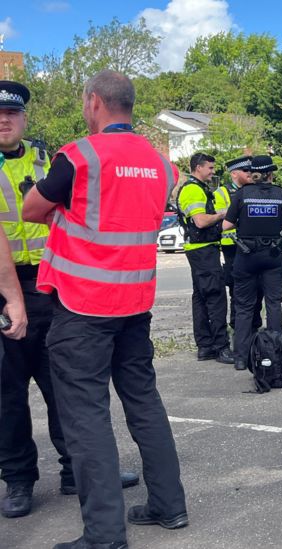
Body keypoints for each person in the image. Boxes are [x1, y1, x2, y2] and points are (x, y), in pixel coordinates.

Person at [23, 69, 188, 549]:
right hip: (135, 303)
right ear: (129, 106)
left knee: (87, 418)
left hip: (83, 307)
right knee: (144, 402)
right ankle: (168, 504)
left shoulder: (80, 156)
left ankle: (103, 535)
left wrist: (63, 208)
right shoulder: (163, 165)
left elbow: (34, 208)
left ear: (93, 102)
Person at [0, 80, 139, 521]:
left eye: (12, 114)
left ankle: (79, 471)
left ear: (24, 118)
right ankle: (19, 479)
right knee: (6, 394)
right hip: (3, 290)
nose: (4, 121)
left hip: (53, 285)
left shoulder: (51, 160)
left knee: (67, 385)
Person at [222, 156, 282, 371]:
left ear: (253, 173)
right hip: (273, 256)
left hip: (246, 256)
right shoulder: (281, 194)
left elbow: (226, 225)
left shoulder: (242, 195)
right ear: (271, 174)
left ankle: (241, 358)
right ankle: (277, 352)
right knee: (273, 305)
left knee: (244, 307)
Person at [178, 152, 233, 364]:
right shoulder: (193, 190)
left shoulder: (196, 189)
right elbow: (200, 221)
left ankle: (205, 346)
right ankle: (221, 347)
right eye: (210, 168)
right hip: (203, 250)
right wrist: (222, 214)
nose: (212, 172)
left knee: (200, 298)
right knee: (215, 297)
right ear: (198, 167)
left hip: (199, 249)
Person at [214, 156, 262, 334]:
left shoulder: (254, 190)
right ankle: (238, 328)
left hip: (253, 246)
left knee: (258, 289)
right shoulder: (222, 193)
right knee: (238, 291)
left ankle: (255, 326)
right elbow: (222, 219)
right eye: (246, 171)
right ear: (234, 174)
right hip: (232, 247)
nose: (250, 173)